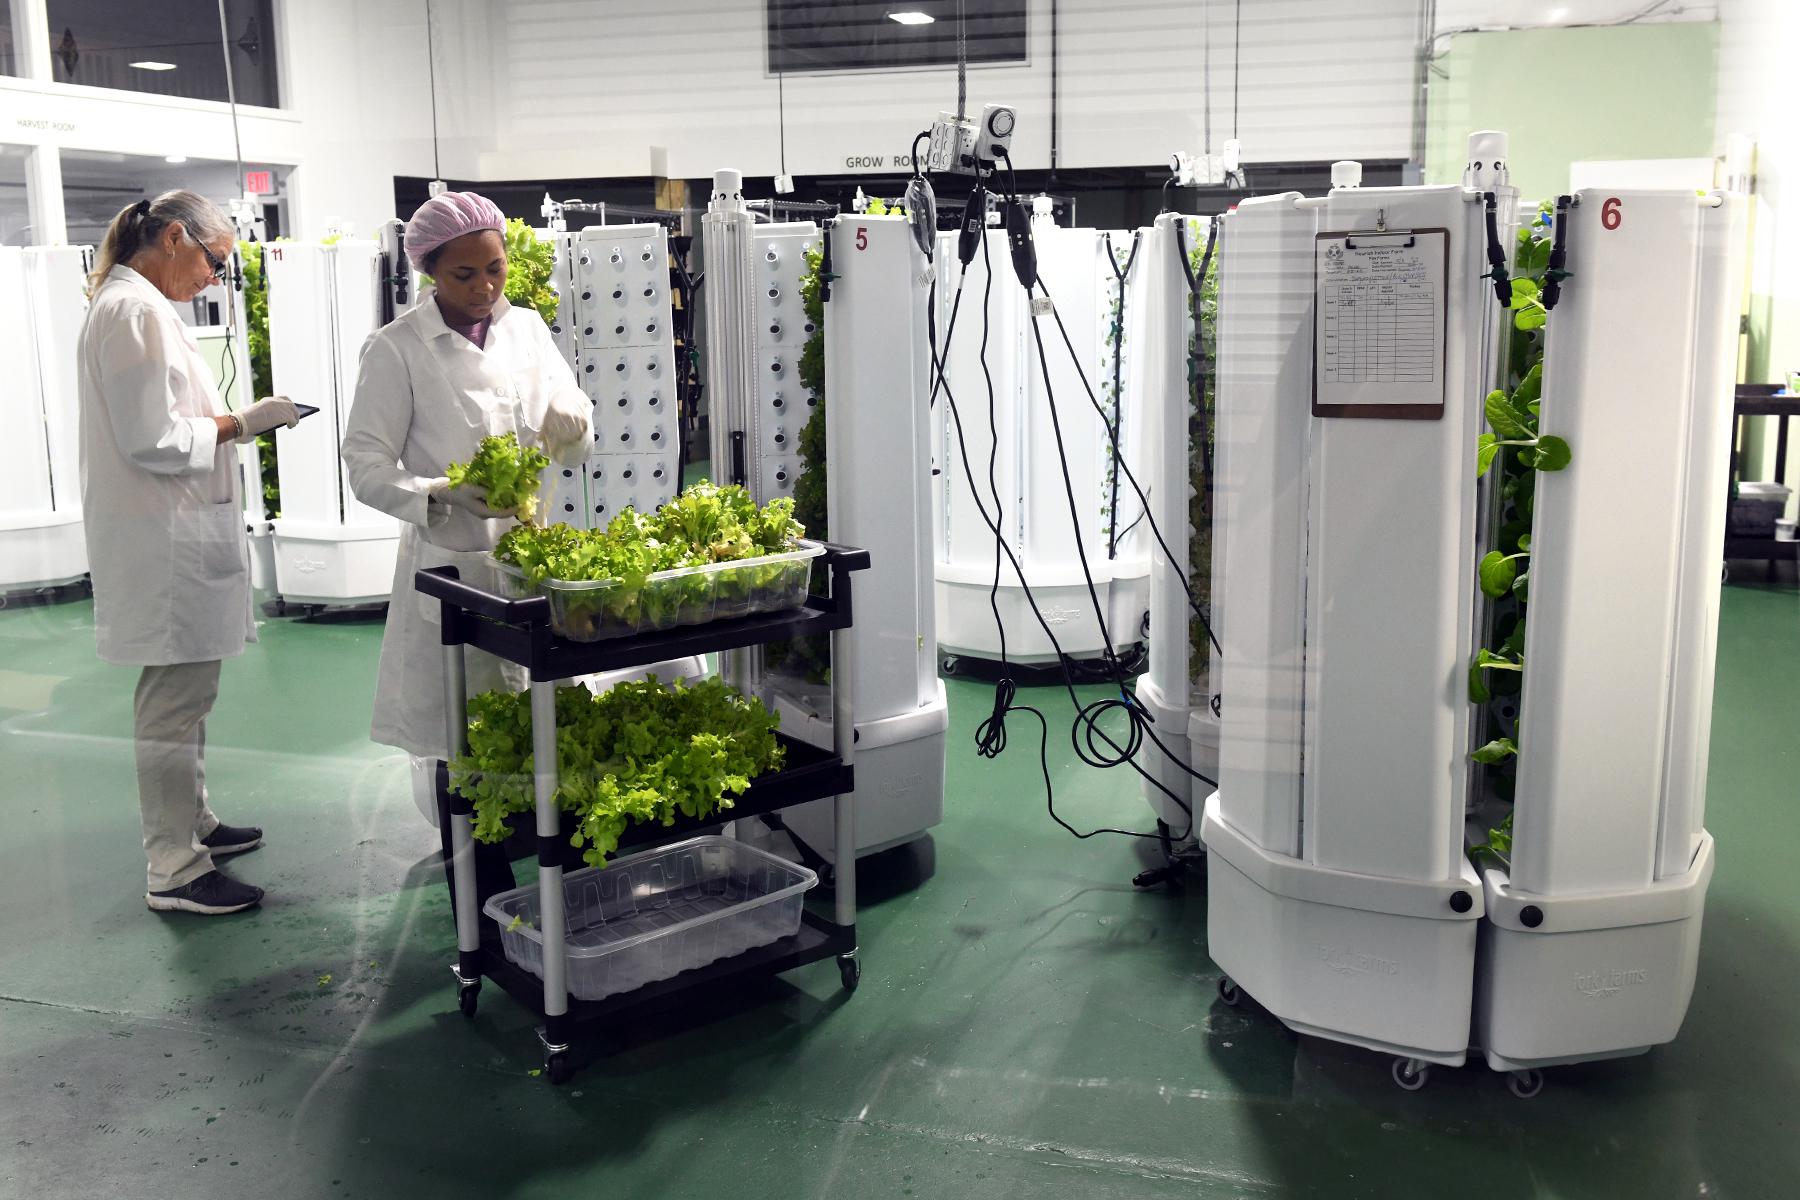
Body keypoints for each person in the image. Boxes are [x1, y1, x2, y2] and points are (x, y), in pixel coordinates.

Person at [341, 192, 591, 836]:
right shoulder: (396, 349)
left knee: (544, 717)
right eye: (464, 274)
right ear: (429, 270)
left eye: (495, 268)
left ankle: (536, 854)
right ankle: (470, 863)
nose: (484, 287)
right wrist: (440, 492)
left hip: (532, 560)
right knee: (460, 733)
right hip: (453, 564)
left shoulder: (527, 328)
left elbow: (566, 419)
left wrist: (575, 414)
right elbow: (365, 466)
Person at [78, 190, 300, 916]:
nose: (214, 278)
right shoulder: (132, 312)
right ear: (174, 237)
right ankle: (173, 867)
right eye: (214, 261)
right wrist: (244, 423)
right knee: (173, 704)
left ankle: (193, 822)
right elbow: (154, 439)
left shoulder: (141, 306)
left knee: (189, 696)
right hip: (161, 540)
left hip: (174, 531)